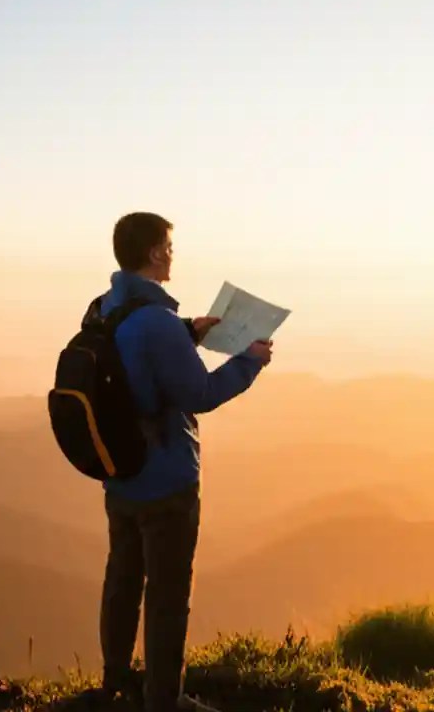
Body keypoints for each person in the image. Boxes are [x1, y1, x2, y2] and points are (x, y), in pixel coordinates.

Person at [94, 211, 273, 712]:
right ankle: (163, 702)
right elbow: (200, 393)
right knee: (168, 596)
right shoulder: (157, 321)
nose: (173, 253)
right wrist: (250, 361)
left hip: (119, 472)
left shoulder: (109, 306)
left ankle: (115, 682)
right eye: (168, 246)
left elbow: (133, 363)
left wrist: (190, 332)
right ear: (153, 253)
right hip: (166, 480)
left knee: (123, 579)